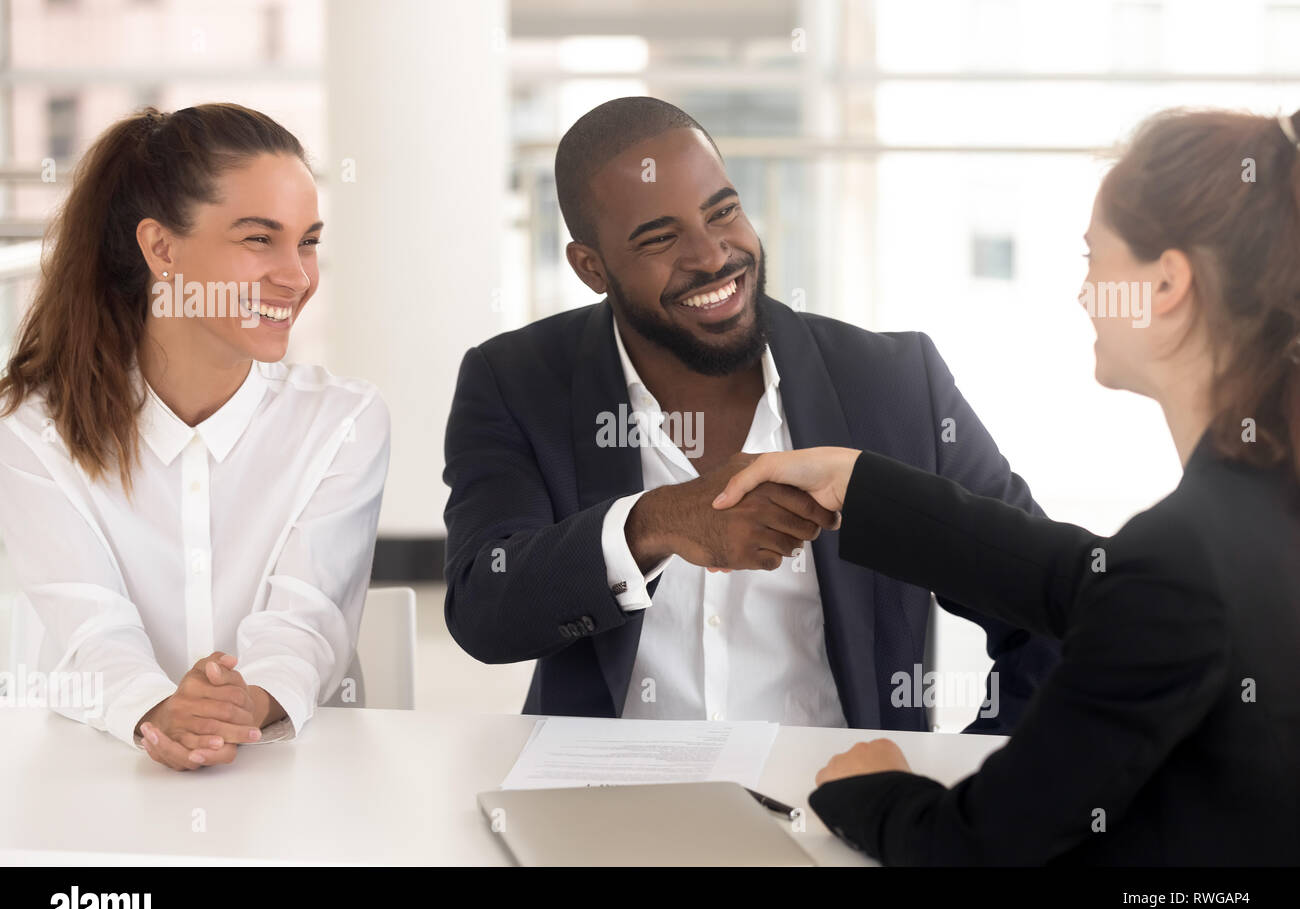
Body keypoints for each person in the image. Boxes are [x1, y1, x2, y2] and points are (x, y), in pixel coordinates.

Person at [711, 107, 1300, 865]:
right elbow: (1097, 585)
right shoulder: (1253, 504)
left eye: (1094, 257)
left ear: (1166, 283)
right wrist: (865, 488)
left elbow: (976, 850)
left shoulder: (1185, 564)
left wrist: (874, 784)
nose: (1084, 291)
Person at [443, 96, 1057, 734]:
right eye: (659, 237)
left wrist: (962, 790)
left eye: (723, 212)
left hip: (836, 808)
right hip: (604, 805)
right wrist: (654, 524)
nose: (712, 257)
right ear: (591, 267)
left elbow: (1048, 606)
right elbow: (485, 609)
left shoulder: (894, 383)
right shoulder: (515, 381)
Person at [0, 104, 390, 771]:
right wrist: (160, 711)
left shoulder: (343, 423)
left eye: (308, 241)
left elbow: (307, 619)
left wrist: (242, 706)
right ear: (161, 249)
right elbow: (90, 626)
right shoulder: (35, 432)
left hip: (295, 782)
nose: (296, 275)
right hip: (96, 777)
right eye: (259, 239)